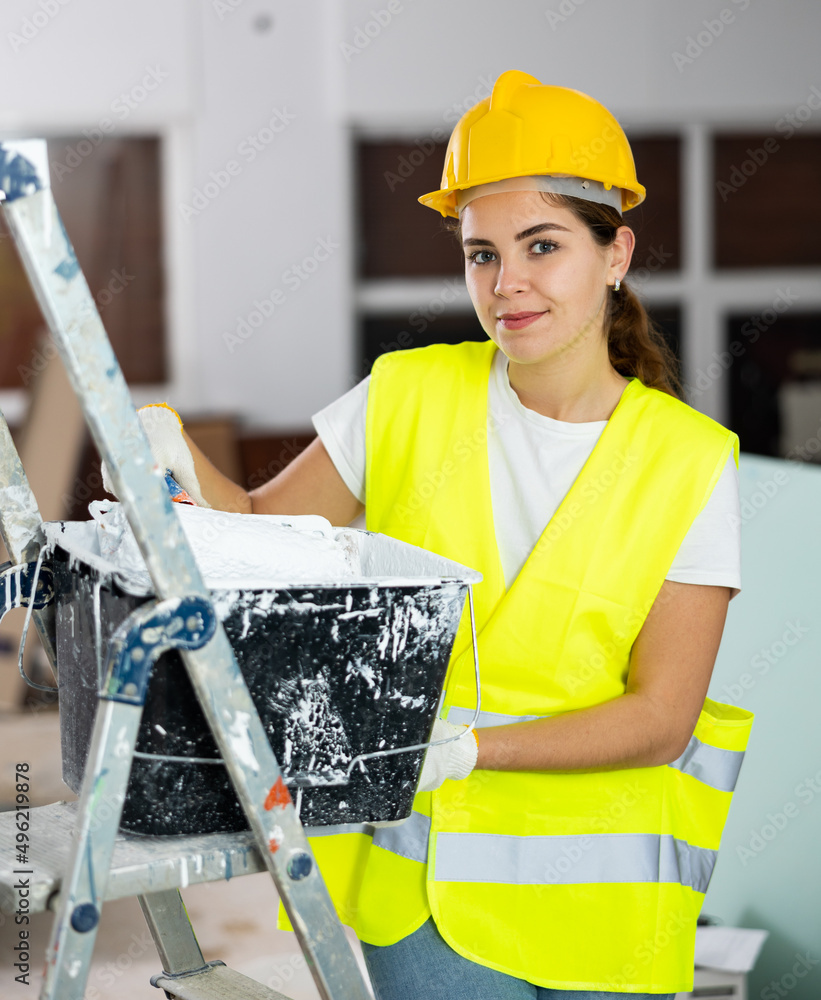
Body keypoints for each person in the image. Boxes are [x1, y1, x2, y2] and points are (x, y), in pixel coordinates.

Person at [135, 71, 753, 999]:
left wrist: (468, 751)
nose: (506, 285)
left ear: (615, 252)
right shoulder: (406, 396)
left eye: (541, 246)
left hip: (606, 905)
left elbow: (662, 717)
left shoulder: (691, 461)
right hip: (422, 884)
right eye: (479, 254)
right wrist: (172, 452)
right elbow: (262, 529)